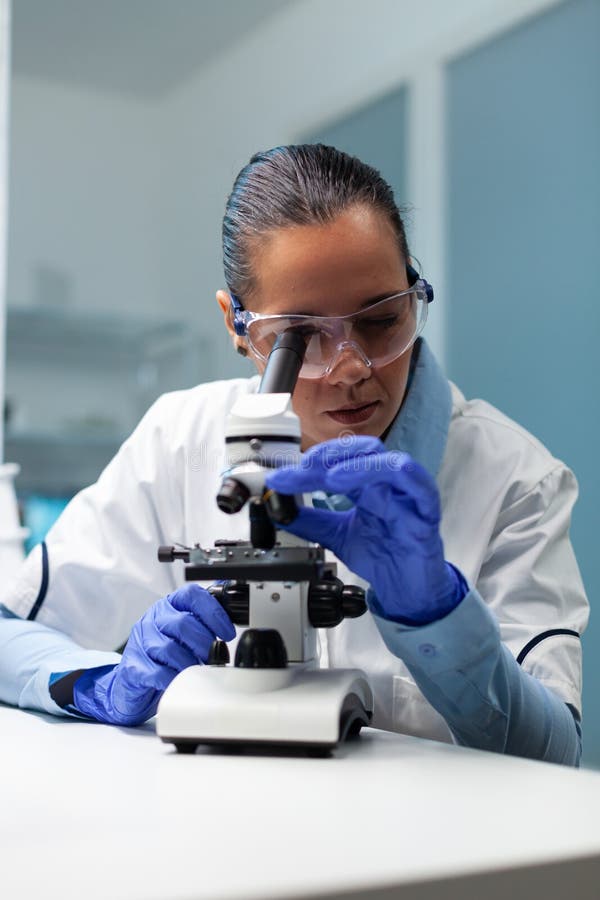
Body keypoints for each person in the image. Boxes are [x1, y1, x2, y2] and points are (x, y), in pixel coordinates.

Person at [0, 144, 588, 764]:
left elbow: (554, 756)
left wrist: (436, 617)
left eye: (381, 319)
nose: (352, 368)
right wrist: (103, 684)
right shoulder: (180, 438)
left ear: (415, 295)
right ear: (236, 325)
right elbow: (11, 637)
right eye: (300, 336)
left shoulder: (517, 480)